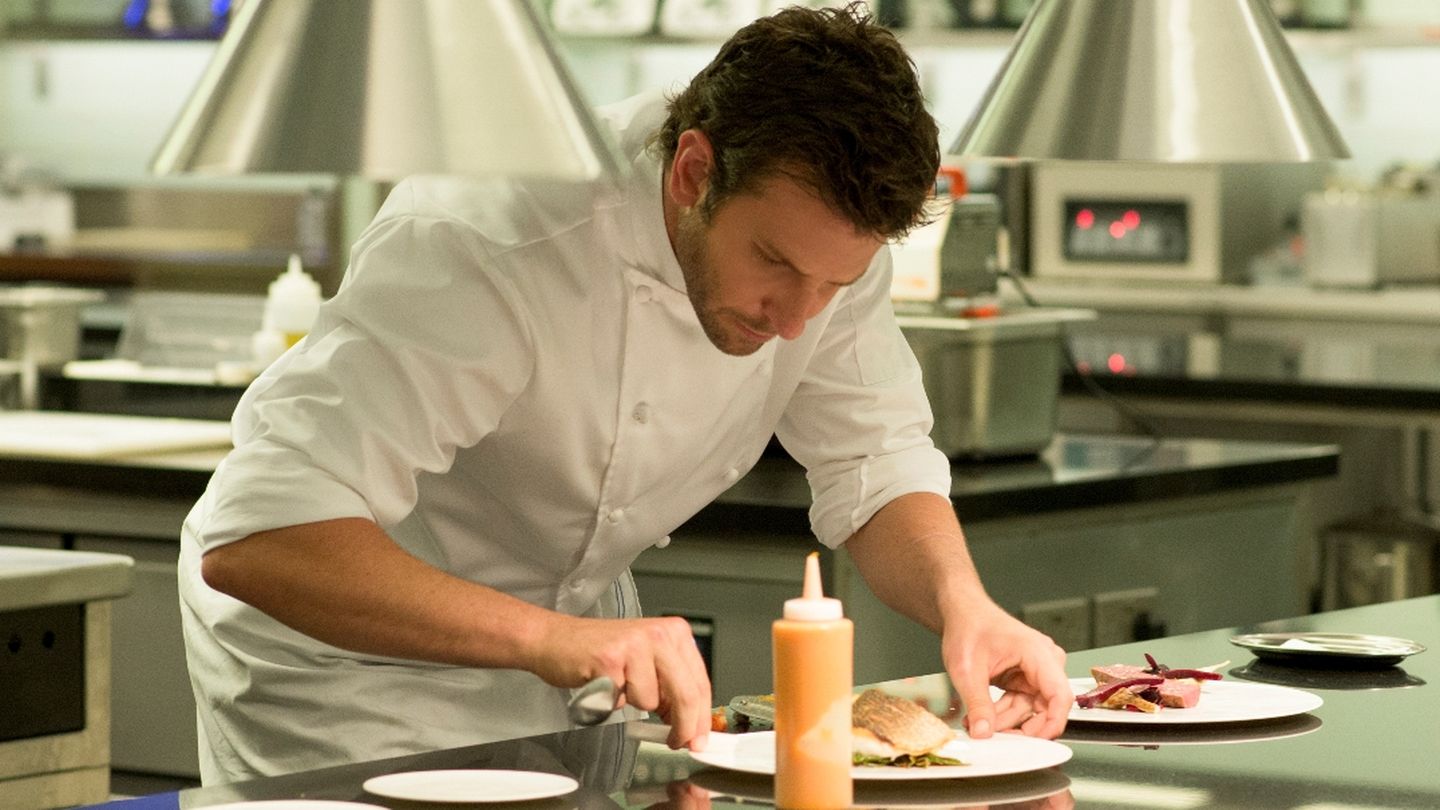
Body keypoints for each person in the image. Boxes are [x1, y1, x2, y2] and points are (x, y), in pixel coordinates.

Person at [178, 2, 1071, 784]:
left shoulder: (828, 251)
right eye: (773, 264)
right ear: (691, 173)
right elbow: (261, 536)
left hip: (578, 654)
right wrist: (551, 640)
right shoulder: (486, 237)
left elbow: (874, 461)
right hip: (346, 679)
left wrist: (966, 609)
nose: (799, 320)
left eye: (834, 286)